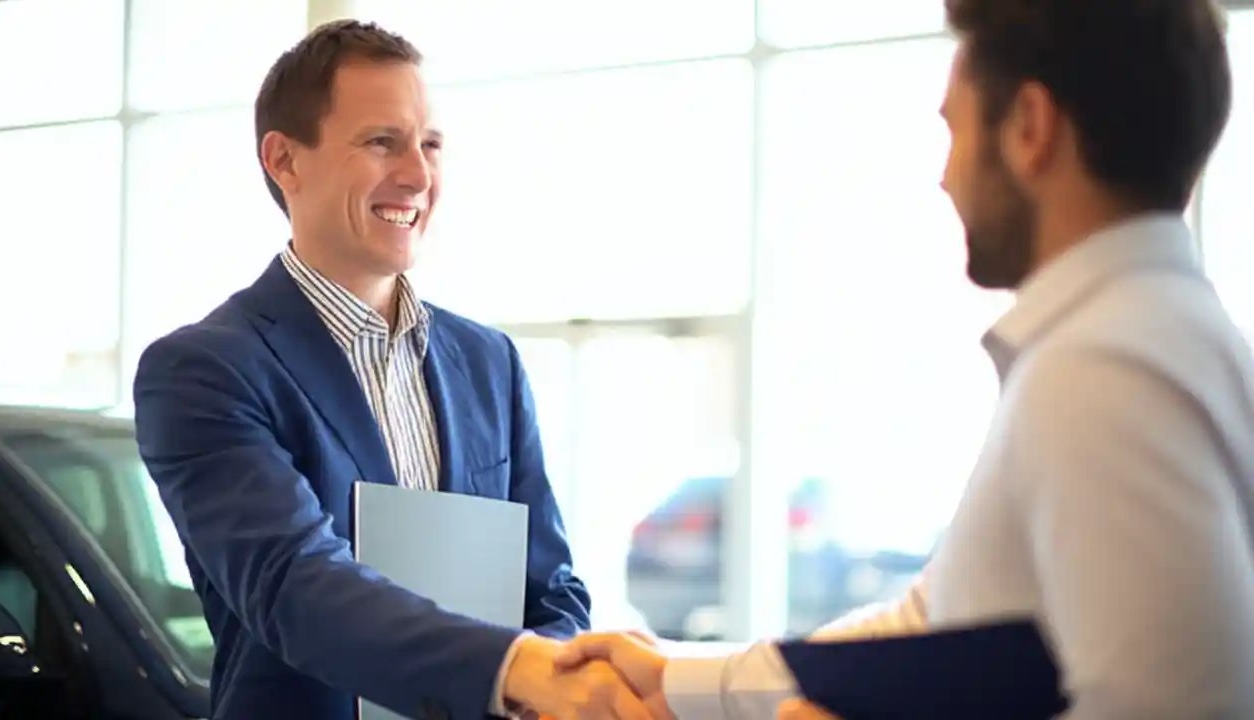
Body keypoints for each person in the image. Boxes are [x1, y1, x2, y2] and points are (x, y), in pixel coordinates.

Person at [557, 0, 1254, 718]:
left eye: (954, 130)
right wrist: (677, 681)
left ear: (1029, 128)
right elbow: (942, 620)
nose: (946, 177)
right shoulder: (1168, 340)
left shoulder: (1102, 368)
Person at [133, 19, 661, 720]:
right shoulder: (205, 371)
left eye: (430, 144)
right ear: (285, 160)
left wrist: (560, 670)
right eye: (382, 142)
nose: (418, 175)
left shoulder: (489, 364)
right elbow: (295, 584)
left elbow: (548, 586)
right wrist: (519, 670)